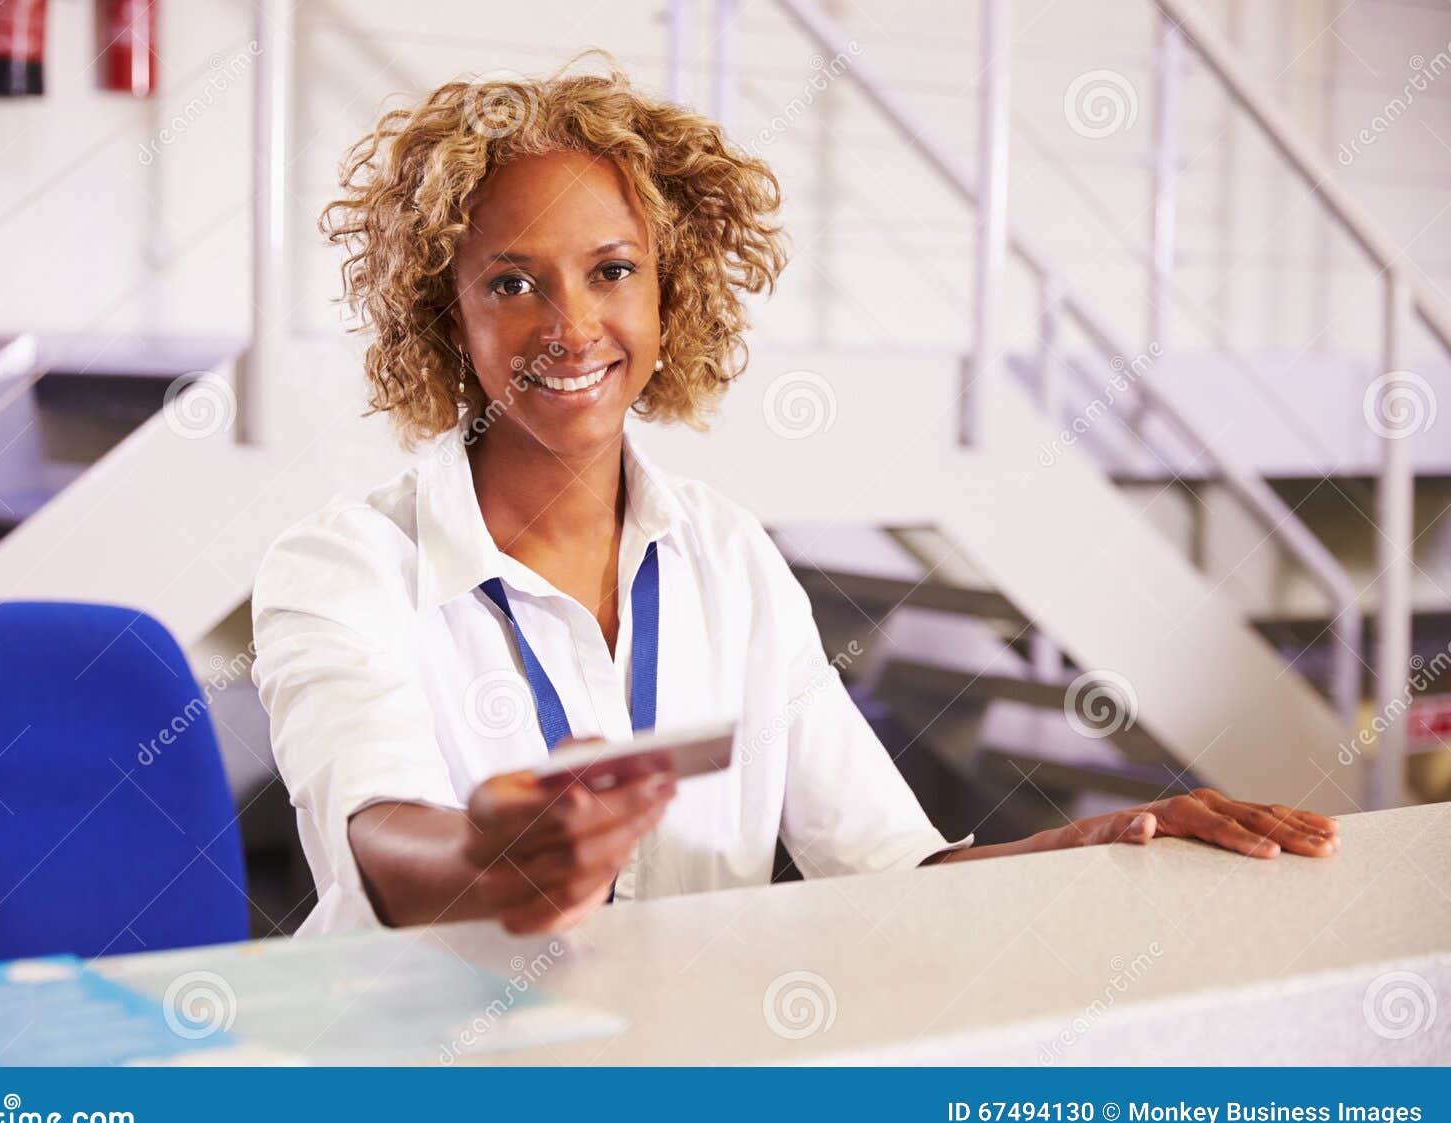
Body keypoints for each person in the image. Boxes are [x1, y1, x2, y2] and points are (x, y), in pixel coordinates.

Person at [250, 55, 1338, 939]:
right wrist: (494, 855)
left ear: (672, 294)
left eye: (612, 269)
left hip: (673, 1069)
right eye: (510, 282)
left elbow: (890, 870)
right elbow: (381, 846)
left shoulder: (730, 557)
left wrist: (1079, 852)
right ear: (451, 320)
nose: (570, 325)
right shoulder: (342, 563)